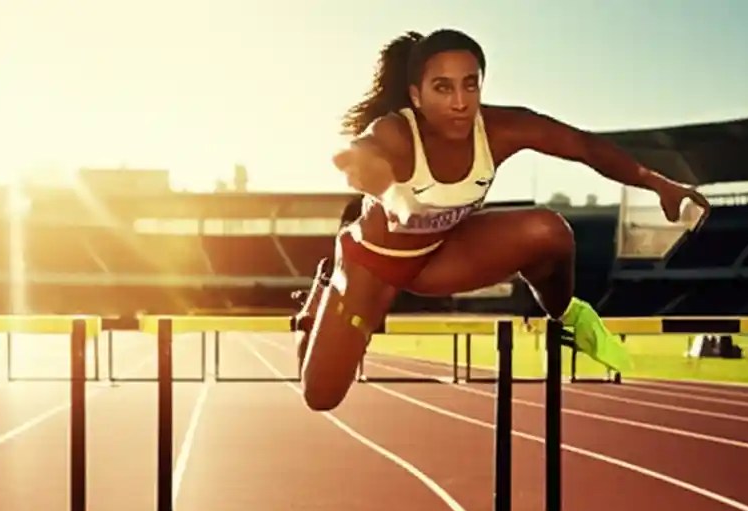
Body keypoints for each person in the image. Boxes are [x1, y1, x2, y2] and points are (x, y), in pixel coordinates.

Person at [291, 28, 710, 411]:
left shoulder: (500, 129)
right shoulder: (397, 134)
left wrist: (657, 183)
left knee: (550, 232)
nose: (460, 102)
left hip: (441, 255)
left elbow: (583, 146)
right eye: (443, 88)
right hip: (372, 266)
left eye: (469, 84)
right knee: (321, 396)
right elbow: (361, 156)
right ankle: (320, 297)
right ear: (416, 96)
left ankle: (569, 315)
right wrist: (379, 179)